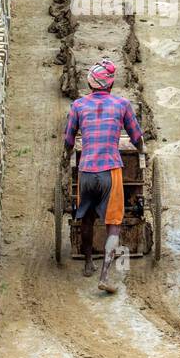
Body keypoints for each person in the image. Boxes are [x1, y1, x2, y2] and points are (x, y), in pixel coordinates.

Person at [63, 59, 145, 292]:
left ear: (91, 84)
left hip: (86, 170)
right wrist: (141, 152)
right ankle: (105, 276)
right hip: (110, 170)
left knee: (87, 218)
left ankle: (88, 262)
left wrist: (65, 156)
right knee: (113, 225)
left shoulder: (78, 106)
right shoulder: (122, 104)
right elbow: (136, 136)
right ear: (110, 85)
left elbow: (69, 140)